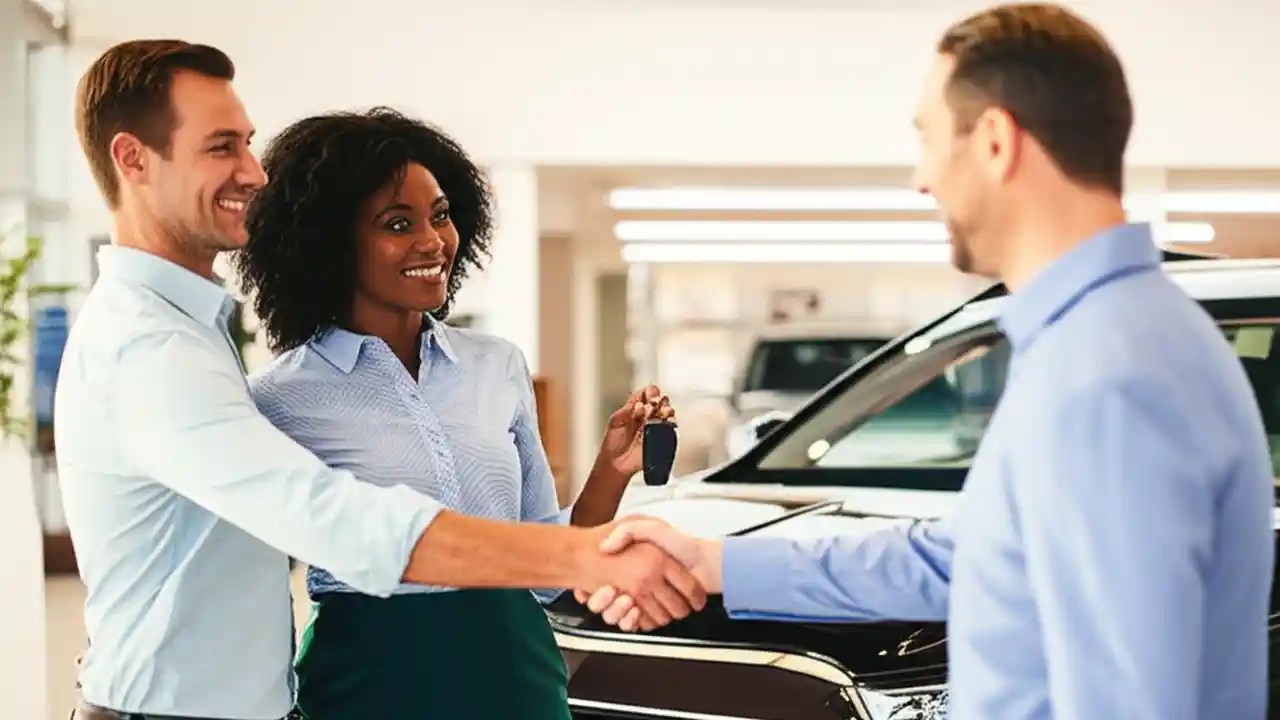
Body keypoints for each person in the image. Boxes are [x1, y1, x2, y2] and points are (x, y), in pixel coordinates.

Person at [584, 4, 1274, 719]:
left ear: (996, 142)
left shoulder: (1113, 373)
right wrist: (713, 562)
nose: (923, 178)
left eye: (930, 139)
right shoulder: (1096, 346)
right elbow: (968, 560)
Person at [56, 39, 703, 720]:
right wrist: (586, 557)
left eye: (248, 145)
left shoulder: (195, 331)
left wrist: (598, 495)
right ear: (131, 159)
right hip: (330, 687)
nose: (252, 172)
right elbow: (336, 521)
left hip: (504, 675)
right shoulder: (164, 352)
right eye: (223, 147)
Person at [231, 107, 677, 718]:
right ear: (329, 242)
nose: (432, 241)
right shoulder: (280, 399)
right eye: (397, 223)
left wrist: (612, 468)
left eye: (440, 215)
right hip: (367, 686)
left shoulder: (498, 366)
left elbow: (550, 565)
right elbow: (245, 588)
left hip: (517, 676)